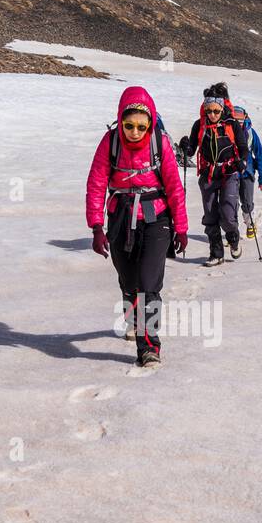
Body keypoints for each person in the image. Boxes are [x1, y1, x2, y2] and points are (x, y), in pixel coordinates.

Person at [85, 86, 188, 367]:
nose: (135, 132)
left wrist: (181, 227)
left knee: (148, 284)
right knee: (129, 281)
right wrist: (96, 226)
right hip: (121, 218)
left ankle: (149, 346)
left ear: (150, 123)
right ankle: (132, 313)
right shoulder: (110, 142)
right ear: (121, 121)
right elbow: (96, 184)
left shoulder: (160, 143)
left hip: (157, 219)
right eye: (128, 125)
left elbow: (174, 187)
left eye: (141, 126)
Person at [179, 83, 248, 266]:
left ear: (222, 108)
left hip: (229, 173)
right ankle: (216, 253)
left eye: (216, 111)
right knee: (210, 216)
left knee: (227, 213)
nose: (212, 115)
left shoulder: (232, 125)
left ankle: (233, 239)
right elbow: (192, 150)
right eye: (209, 111)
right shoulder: (199, 125)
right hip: (208, 175)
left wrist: (243, 161)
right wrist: (185, 147)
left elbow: (243, 147)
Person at [229, 101, 262, 239]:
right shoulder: (227, 131)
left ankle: (250, 223)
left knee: (247, 202)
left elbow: (260, 155)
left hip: (247, 173)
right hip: (230, 173)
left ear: (245, 118)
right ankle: (232, 230)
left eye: (240, 120)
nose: (238, 123)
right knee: (231, 203)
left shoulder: (251, 133)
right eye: (235, 120)